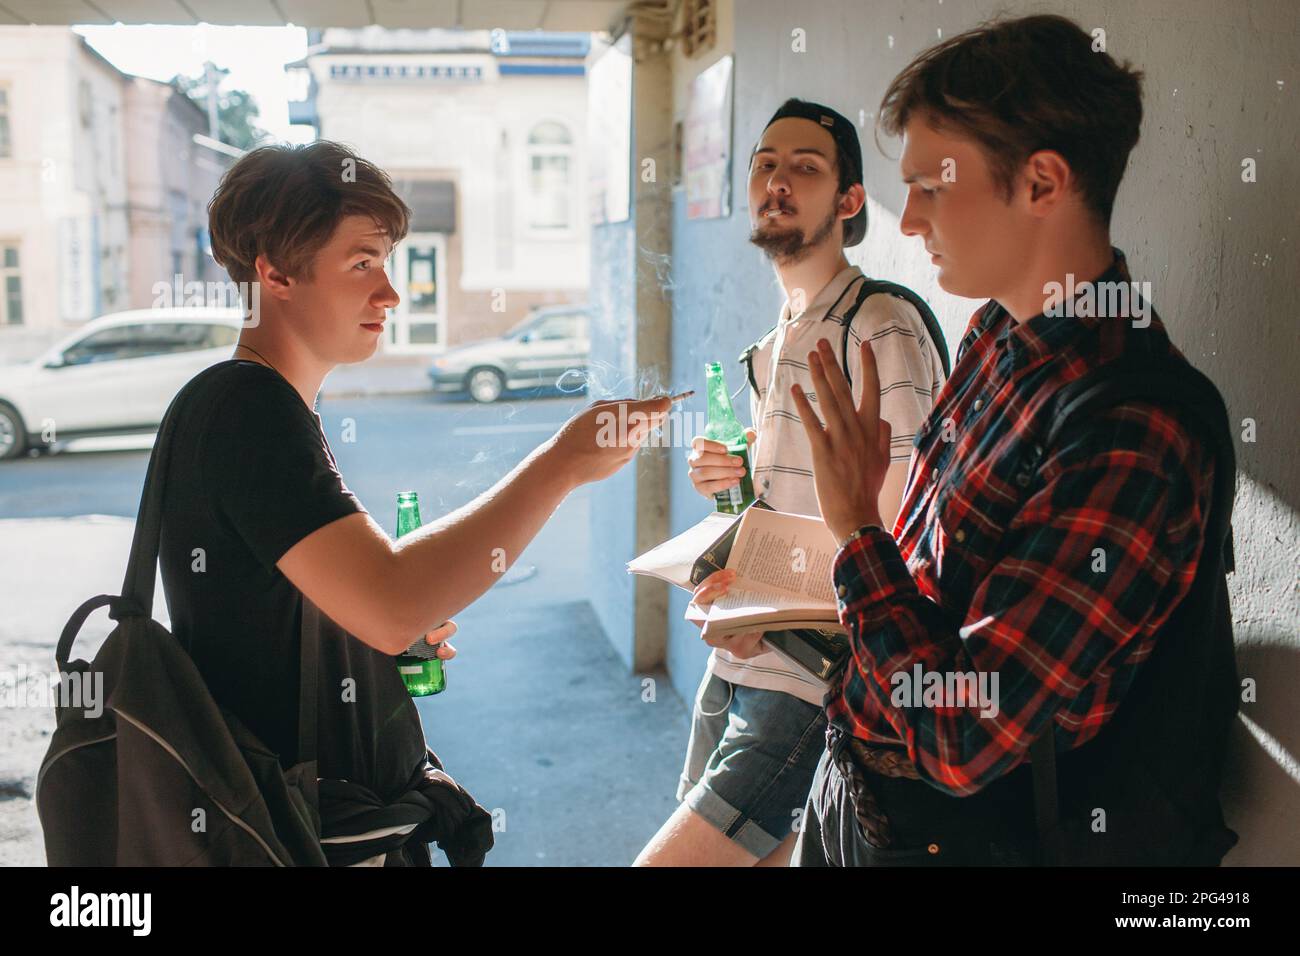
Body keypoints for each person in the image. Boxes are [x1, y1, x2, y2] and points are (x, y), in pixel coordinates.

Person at [785, 15, 1236, 866]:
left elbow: (963, 736)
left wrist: (853, 529)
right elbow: (933, 587)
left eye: (931, 185)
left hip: (959, 840)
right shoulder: (999, 329)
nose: (909, 220)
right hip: (862, 787)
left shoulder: (1132, 429)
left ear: (1041, 183)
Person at [158, 140, 669, 864]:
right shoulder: (247, 410)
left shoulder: (265, 407)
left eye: (387, 263)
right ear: (275, 274)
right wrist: (562, 464)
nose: (390, 294)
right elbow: (394, 599)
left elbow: (328, 615)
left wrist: (367, 652)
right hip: (299, 833)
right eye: (362, 262)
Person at [635, 100, 945, 866]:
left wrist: (766, 603)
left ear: (848, 202)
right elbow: (802, 506)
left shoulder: (878, 324)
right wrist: (737, 488)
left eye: (805, 166)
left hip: (812, 676)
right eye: (765, 164)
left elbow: (909, 531)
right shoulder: (774, 343)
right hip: (741, 657)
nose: (778, 180)